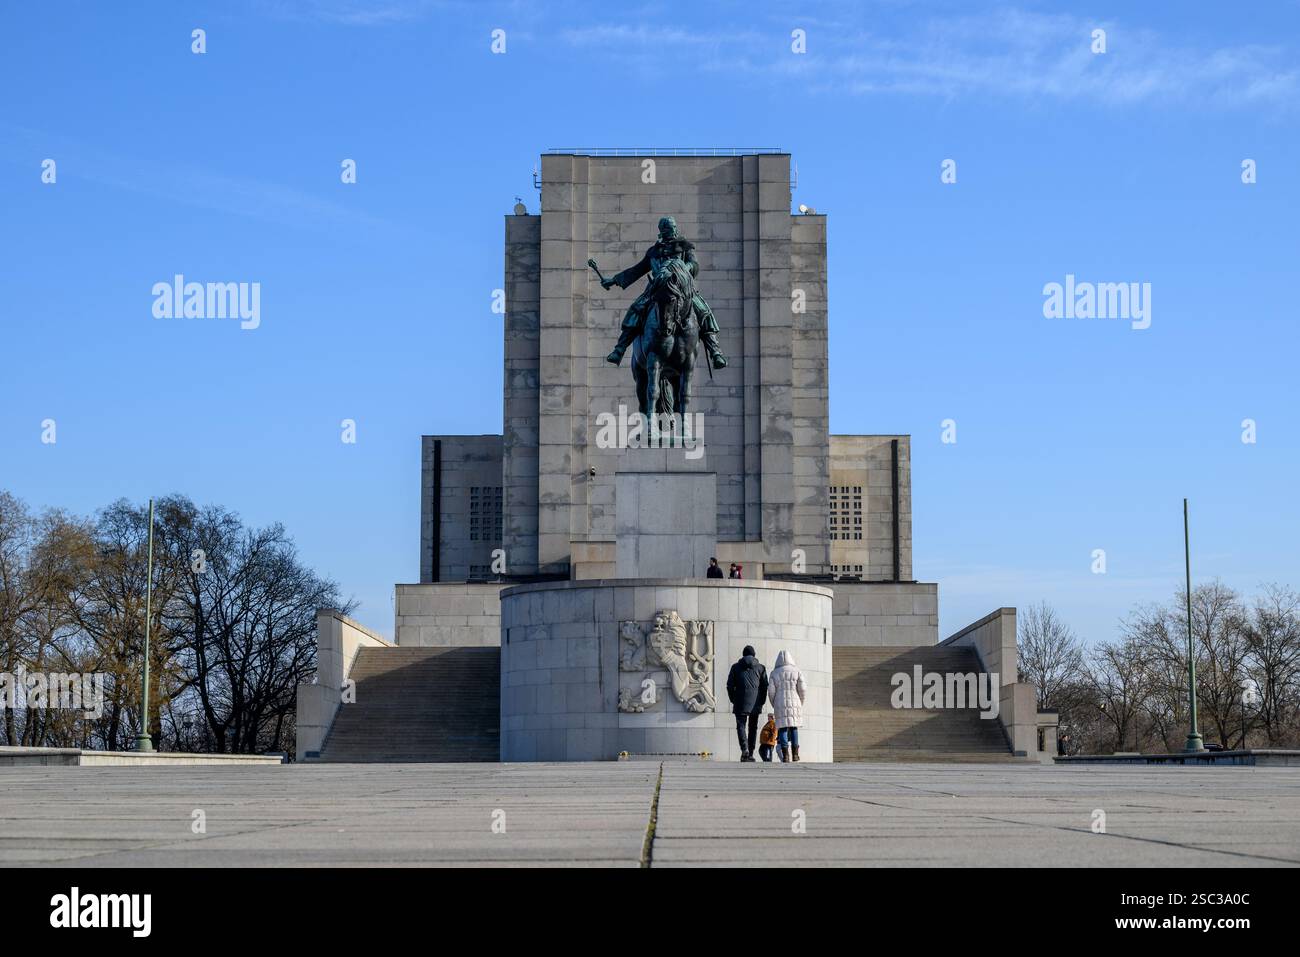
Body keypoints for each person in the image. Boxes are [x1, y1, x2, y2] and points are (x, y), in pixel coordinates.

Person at [601, 216, 727, 371]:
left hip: (681, 290)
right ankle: (619, 349)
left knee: (703, 310)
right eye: (668, 228)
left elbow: (694, 265)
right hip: (656, 290)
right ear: (662, 231)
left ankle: (715, 351)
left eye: (673, 227)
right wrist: (614, 280)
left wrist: (681, 269)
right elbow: (637, 270)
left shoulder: (684, 246)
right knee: (635, 309)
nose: (671, 230)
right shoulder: (654, 251)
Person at [725, 645, 768, 762]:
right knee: (753, 728)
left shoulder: (735, 667)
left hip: (740, 702)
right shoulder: (761, 668)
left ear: (743, 655)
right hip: (756, 703)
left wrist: (733, 699)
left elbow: (729, 685)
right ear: (754, 655)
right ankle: (751, 753)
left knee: (741, 726)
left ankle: (744, 750)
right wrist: (761, 701)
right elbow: (765, 687)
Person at [768, 650, 807, 762]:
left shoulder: (774, 673)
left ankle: (785, 755)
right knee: (794, 728)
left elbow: (771, 691)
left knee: (782, 728)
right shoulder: (797, 671)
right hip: (795, 702)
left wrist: (774, 703)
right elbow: (803, 689)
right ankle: (795, 754)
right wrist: (800, 702)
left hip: (780, 703)